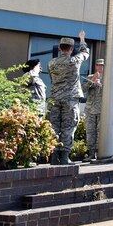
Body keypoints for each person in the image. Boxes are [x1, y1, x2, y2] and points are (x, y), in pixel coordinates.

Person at [47, 30, 89, 165]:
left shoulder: (51, 63)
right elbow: (85, 52)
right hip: (70, 98)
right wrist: (82, 39)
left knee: (53, 127)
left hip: (54, 97)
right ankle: (64, 157)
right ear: (71, 49)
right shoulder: (75, 60)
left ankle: (54, 157)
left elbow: (52, 79)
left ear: (60, 48)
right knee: (69, 127)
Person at [81, 58, 104, 162]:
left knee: (100, 132)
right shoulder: (90, 77)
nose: (100, 67)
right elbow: (82, 89)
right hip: (90, 108)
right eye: (98, 65)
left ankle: (100, 154)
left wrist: (101, 85)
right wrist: (92, 81)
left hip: (102, 109)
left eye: (102, 65)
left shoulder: (108, 78)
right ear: (95, 66)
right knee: (90, 132)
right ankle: (91, 154)